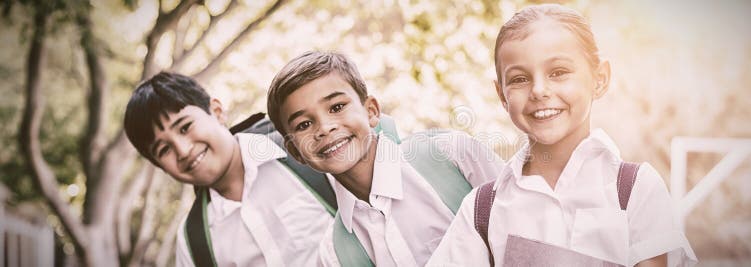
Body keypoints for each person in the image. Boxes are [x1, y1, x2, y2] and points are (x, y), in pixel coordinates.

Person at [427, 4, 697, 267]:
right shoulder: (482, 209)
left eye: (558, 73)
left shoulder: (635, 188)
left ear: (599, 79)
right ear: (501, 95)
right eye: (520, 79)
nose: (539, 90)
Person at [266, 51, 504, 266]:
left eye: (337, 107)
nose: (325, 128)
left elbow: (529, 224)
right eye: (304, 124)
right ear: (296, 152)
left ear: (371, 111)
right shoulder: (336, 255)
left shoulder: (453, 155)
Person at [124, 72, 332, 266]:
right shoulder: (193, 244)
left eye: (185, 127)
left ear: (216, 112)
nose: (184, 150)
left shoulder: (305, 152)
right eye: (164, 149)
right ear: (160, 166)